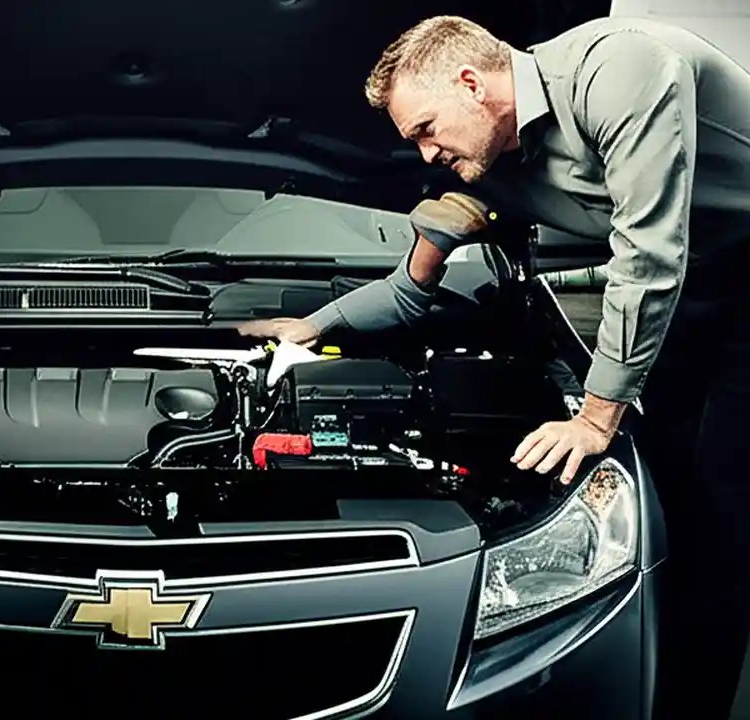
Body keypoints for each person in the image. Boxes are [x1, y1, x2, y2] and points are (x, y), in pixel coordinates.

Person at [238, 15, 750, 719]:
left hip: (731, 271)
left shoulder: (619, 68)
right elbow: (408, 291)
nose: (425, 153)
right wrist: (312, 329)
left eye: (425, 129)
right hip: (696, 289)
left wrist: (593, 417)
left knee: (723, 509)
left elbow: (650, 254)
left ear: (472, 84)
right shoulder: (484, 172)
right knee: (670, 487)